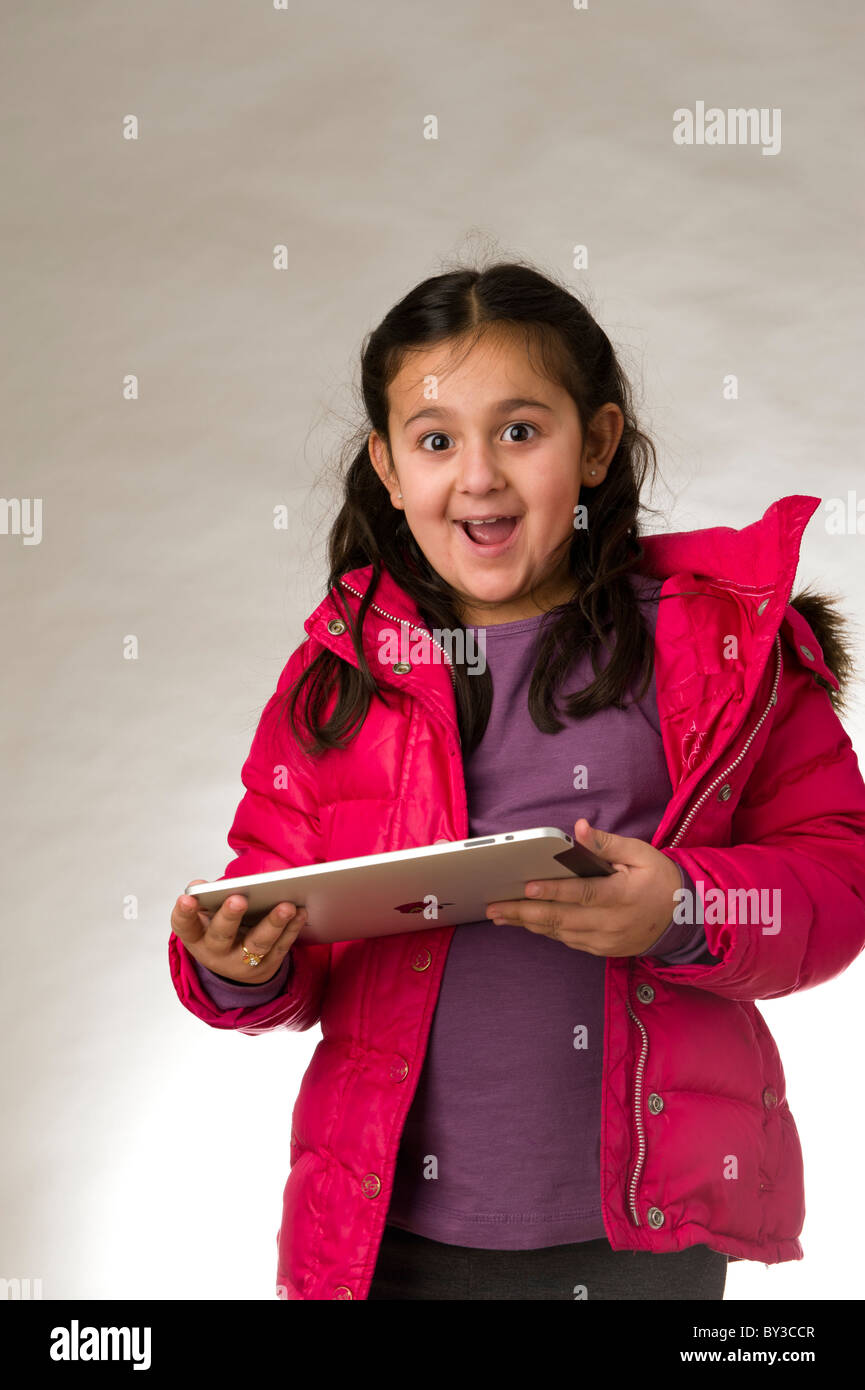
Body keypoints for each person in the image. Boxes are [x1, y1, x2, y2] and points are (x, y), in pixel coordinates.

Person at [168, 260, 865, 1301]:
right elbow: (279, 918)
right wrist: (237, 964)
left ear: (594, 444)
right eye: (437, 439)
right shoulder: (338, 675)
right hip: (385, 1227)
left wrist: (678, 905)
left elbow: (836, 882)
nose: (479, 476)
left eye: (521, 431)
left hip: (642, 1240)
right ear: (390, 468)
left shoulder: (713, 648)